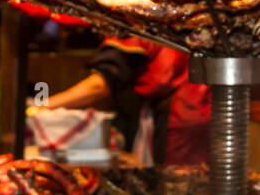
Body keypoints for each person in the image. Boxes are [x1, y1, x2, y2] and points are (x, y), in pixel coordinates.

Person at [39, 36, 211, 165]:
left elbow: (98, 87)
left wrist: (40, 107)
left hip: (180, 113)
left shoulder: (133, 35)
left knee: (175, 187)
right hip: (203, 105)